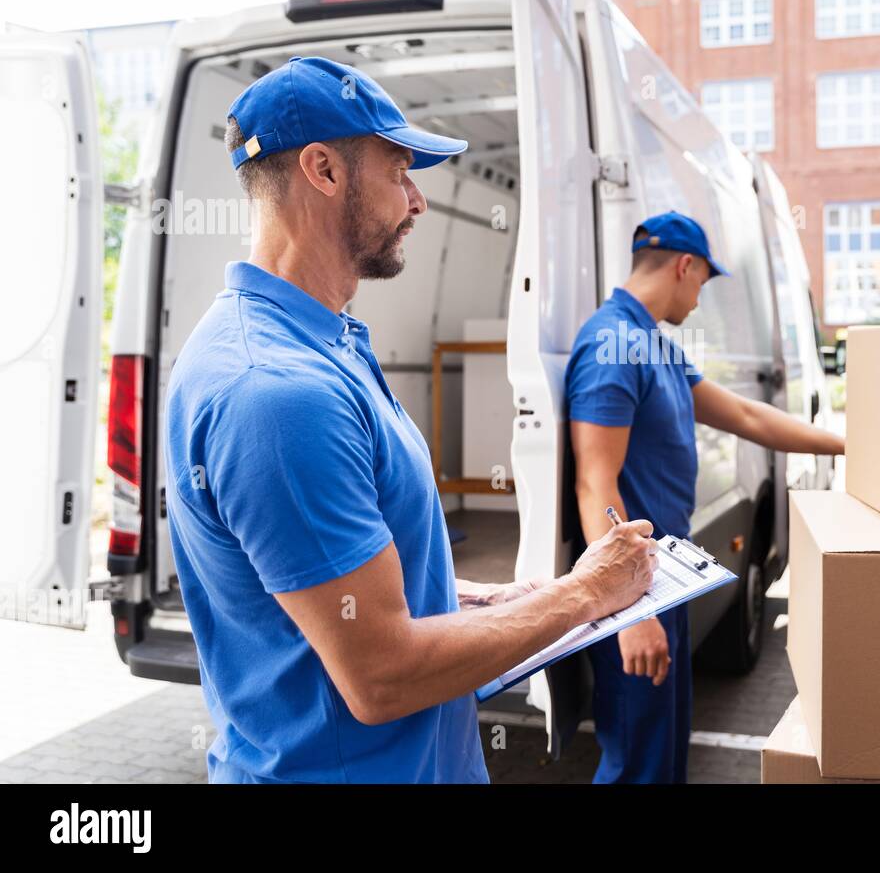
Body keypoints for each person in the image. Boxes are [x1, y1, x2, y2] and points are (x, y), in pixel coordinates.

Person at [164, 56, 658, 783]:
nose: (418, 201)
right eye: (398, 172)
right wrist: (585, 594)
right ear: (324, 170)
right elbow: (382, 675)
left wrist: (488, 598)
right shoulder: (276, 393)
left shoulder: (321, 342)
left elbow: (328, 589)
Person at [565, 211, 845, 783]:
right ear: (684, 266)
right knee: (635, 764)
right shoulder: (610, 345)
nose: (698, 299)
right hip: (634, 586)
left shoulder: (653, 345)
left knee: (664, 757)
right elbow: (594, 481)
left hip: (666, 576)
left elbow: (746, 415)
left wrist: (848, 443)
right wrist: (628, 610)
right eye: (702, 283)